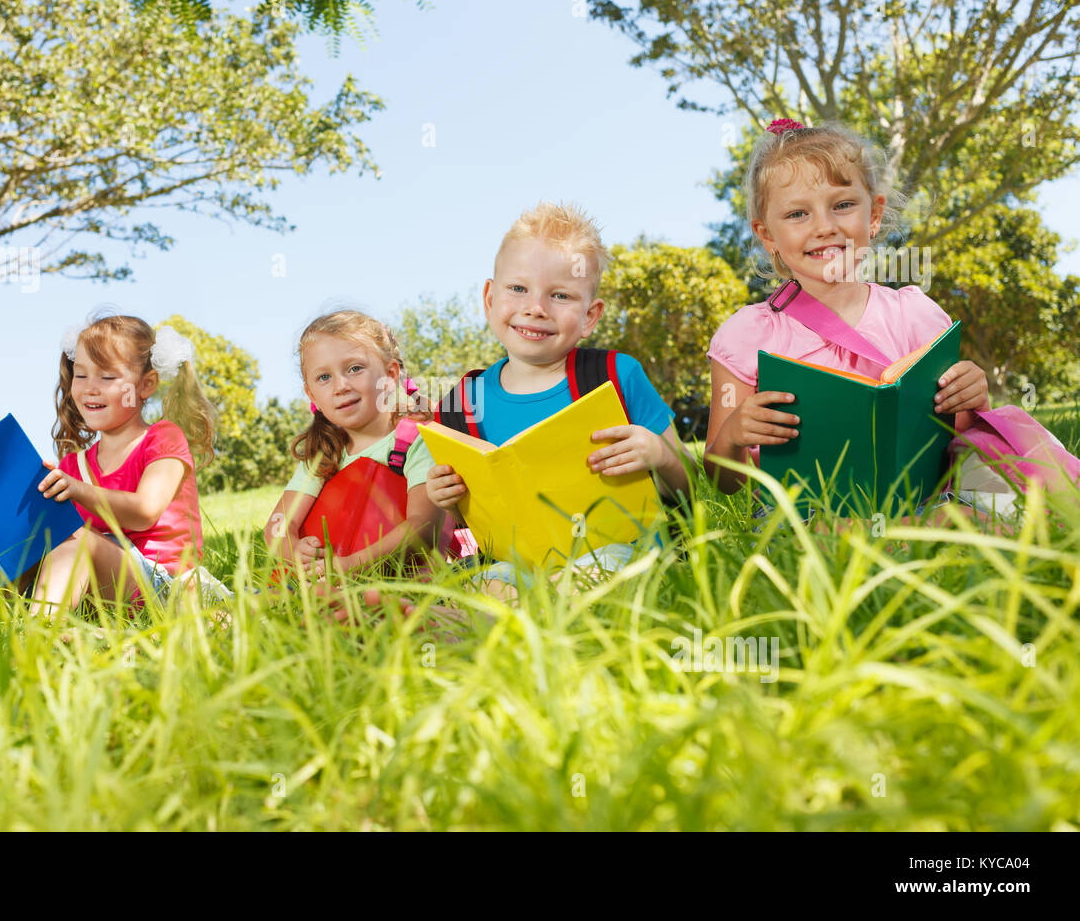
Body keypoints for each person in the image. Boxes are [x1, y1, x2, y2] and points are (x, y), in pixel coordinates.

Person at [703, 119, 989, 502]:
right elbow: (722, 479)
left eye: (843, 205)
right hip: (799, 516)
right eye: (797, 214)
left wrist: (971, 396)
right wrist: (735, 435)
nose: (824, 227)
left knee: (984, 501)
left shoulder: (915, 316)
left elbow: (960, 442)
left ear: (873, 216)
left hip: (922, 498)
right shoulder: (745, 335)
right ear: (767, 235)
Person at [425, 201, 692, 594]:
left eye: (561, 296)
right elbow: (463, 527)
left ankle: (551, 613)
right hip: (512, 565)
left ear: (590, 316)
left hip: (619, 552)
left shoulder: (616, 376)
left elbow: (690, 489)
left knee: (597, 574)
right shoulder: (460, 404)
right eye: (518, 289)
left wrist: (661, 455)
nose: (535, 309)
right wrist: (445, 499)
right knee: (483, 590)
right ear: (489, 299)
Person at [0, 310, 217, 621]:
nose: (90, 387)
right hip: (101, 590)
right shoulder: (73, 465)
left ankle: (39, 633)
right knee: (18, 553)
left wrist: (79, 491)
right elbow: (36, 535)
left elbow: (144, 512)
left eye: (107, 376)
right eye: (81, 374)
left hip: (165, 589)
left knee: (77, 542)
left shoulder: (163, 438)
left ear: (146, 385)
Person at [264, 310, 443, 581]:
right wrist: (293, 549)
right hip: (325, 585)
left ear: (390, 374)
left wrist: (345, 566)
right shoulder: (324, 454)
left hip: (404, 584)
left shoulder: (415, 440)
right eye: (324, 377)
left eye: (355, 368)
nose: (341, 386)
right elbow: (277, 527)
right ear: (311, 394)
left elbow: (423, 527)